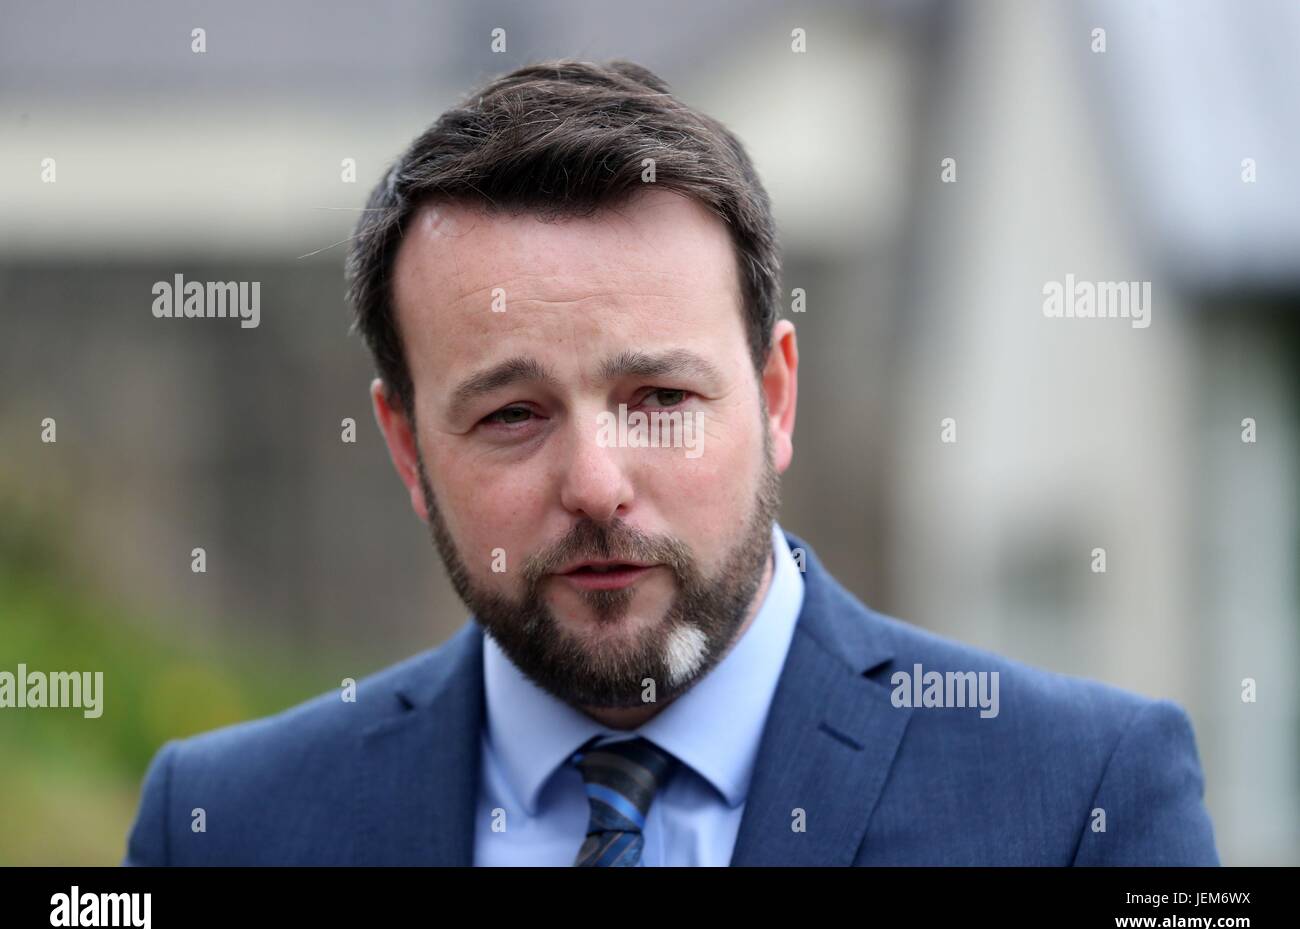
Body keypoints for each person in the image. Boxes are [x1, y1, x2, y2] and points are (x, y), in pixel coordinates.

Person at [123, 59, 1219, 866]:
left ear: (775, 395)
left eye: (659, 398)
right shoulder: (224, 825)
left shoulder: (1084, 798)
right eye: (511, 413)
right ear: (407, 446)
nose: (597, 482)